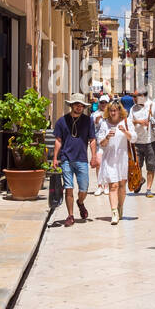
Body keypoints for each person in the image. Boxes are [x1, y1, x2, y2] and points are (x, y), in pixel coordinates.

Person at [52, 93, 98, 228]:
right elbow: (58, 140)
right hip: (66, 158)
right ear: (71, 105)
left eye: (82, 105)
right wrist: (55, 158)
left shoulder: (88, 121)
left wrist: (94, 156)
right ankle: (70, 215)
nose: (79, 107)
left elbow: (92, 140)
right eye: (77, 104)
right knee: (69, 188)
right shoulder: (62, 121)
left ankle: (80, 202)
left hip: (82, 159)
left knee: (84, 188)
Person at [96, 99, 134, 224]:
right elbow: (101, 143)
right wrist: (107, 137)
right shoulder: (104, 124)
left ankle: (120, 207)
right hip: (110, 159)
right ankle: (114, 213)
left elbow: (134, 138)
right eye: (111, 110)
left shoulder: (126, 122)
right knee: (113, 186)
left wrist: (125, 131)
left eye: (115, 110)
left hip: (123, 159)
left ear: (120, 111)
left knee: (122, 186)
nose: (113, 113)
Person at [128, 89, 155, 197]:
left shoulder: (154, 106)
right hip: (137, 141)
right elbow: (129, 122)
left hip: (151, 141)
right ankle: (140, 180)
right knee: (136, 167)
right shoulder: (133, 108)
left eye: (135, 96)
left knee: (151, 166)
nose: (133, 99)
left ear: (142, 96)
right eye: (133, 96)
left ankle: (148, 189)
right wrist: (138, 121)